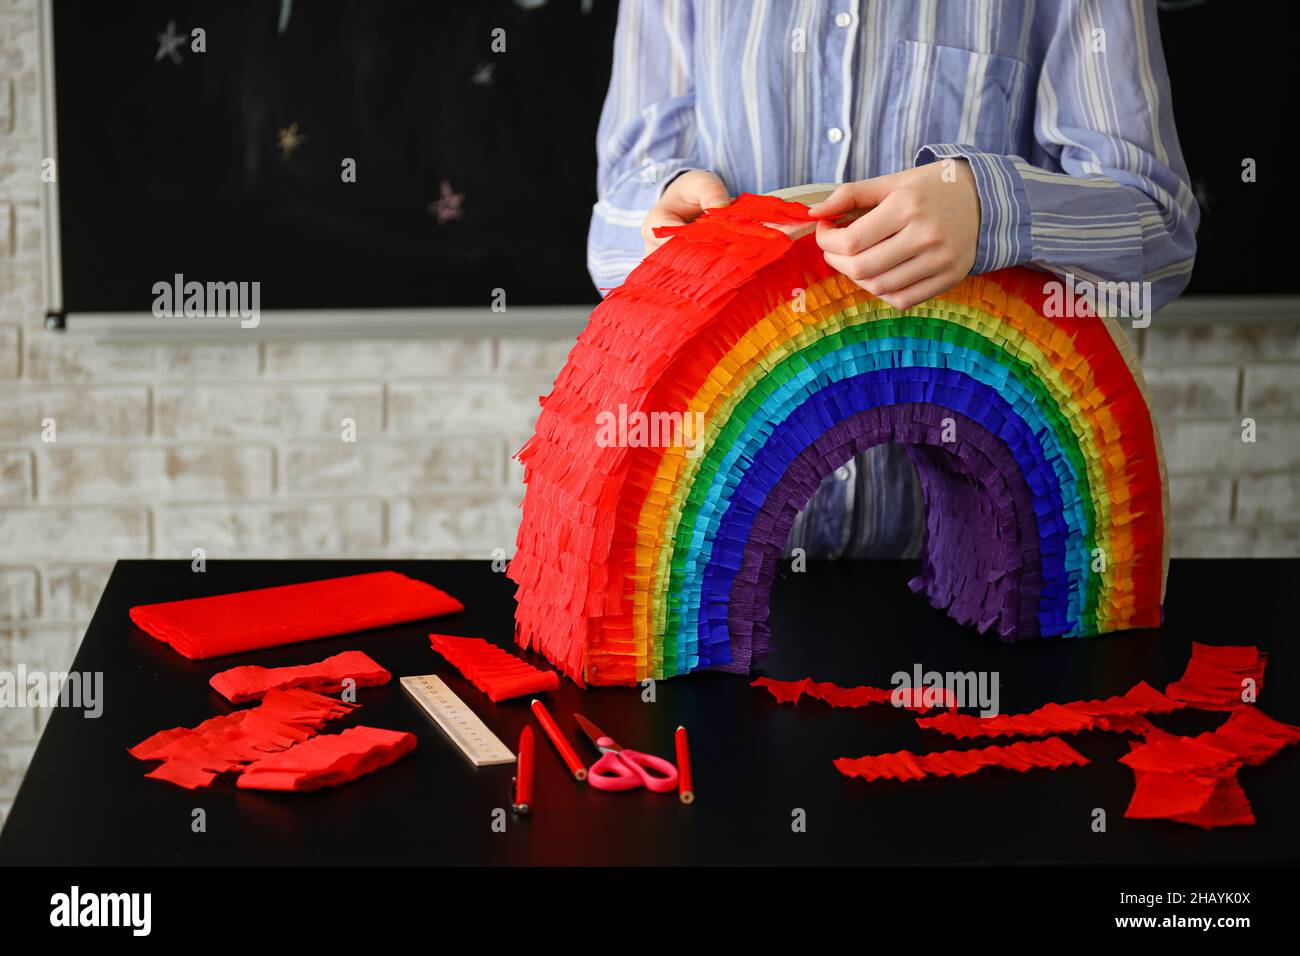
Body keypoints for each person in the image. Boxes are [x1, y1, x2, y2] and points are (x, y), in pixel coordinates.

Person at [588, 0, 1197, 559]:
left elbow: (1159, 238)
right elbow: (616, 212)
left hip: (981, 568)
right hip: (706, 550)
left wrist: (993, 209)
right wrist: (662, 213)